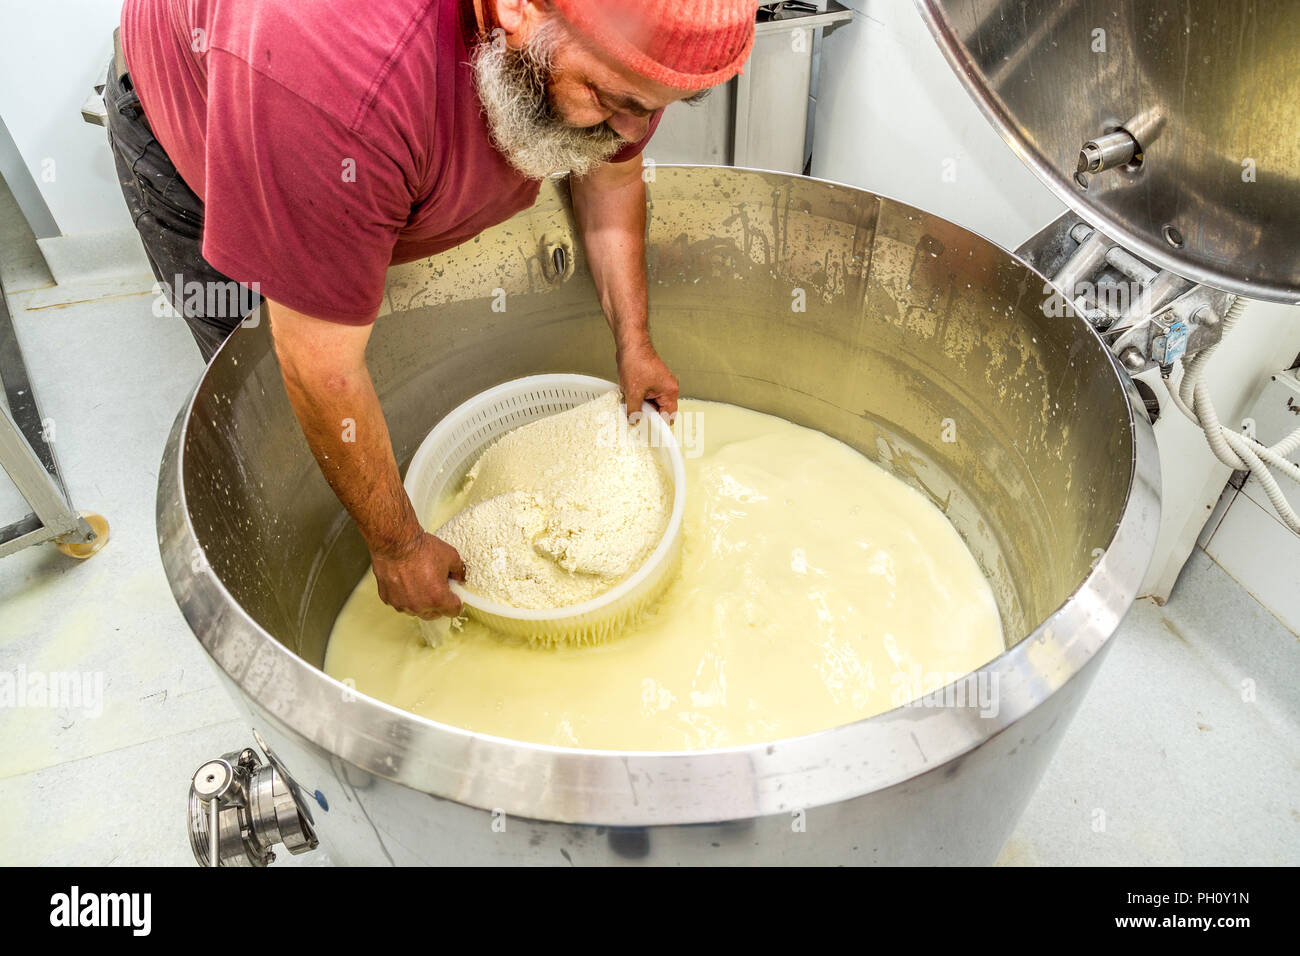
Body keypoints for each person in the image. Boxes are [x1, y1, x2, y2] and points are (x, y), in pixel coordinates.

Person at [105, 0, 756, 619]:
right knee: (274, 408)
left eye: (655, 107)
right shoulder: (338, 82)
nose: (634, 131)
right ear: (517, 10)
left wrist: (634, 343)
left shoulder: (623, 42)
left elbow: (610, 174)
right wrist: (397, 546)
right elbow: (316, 367)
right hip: (217, 136)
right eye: (615, 101)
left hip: (365, 143)